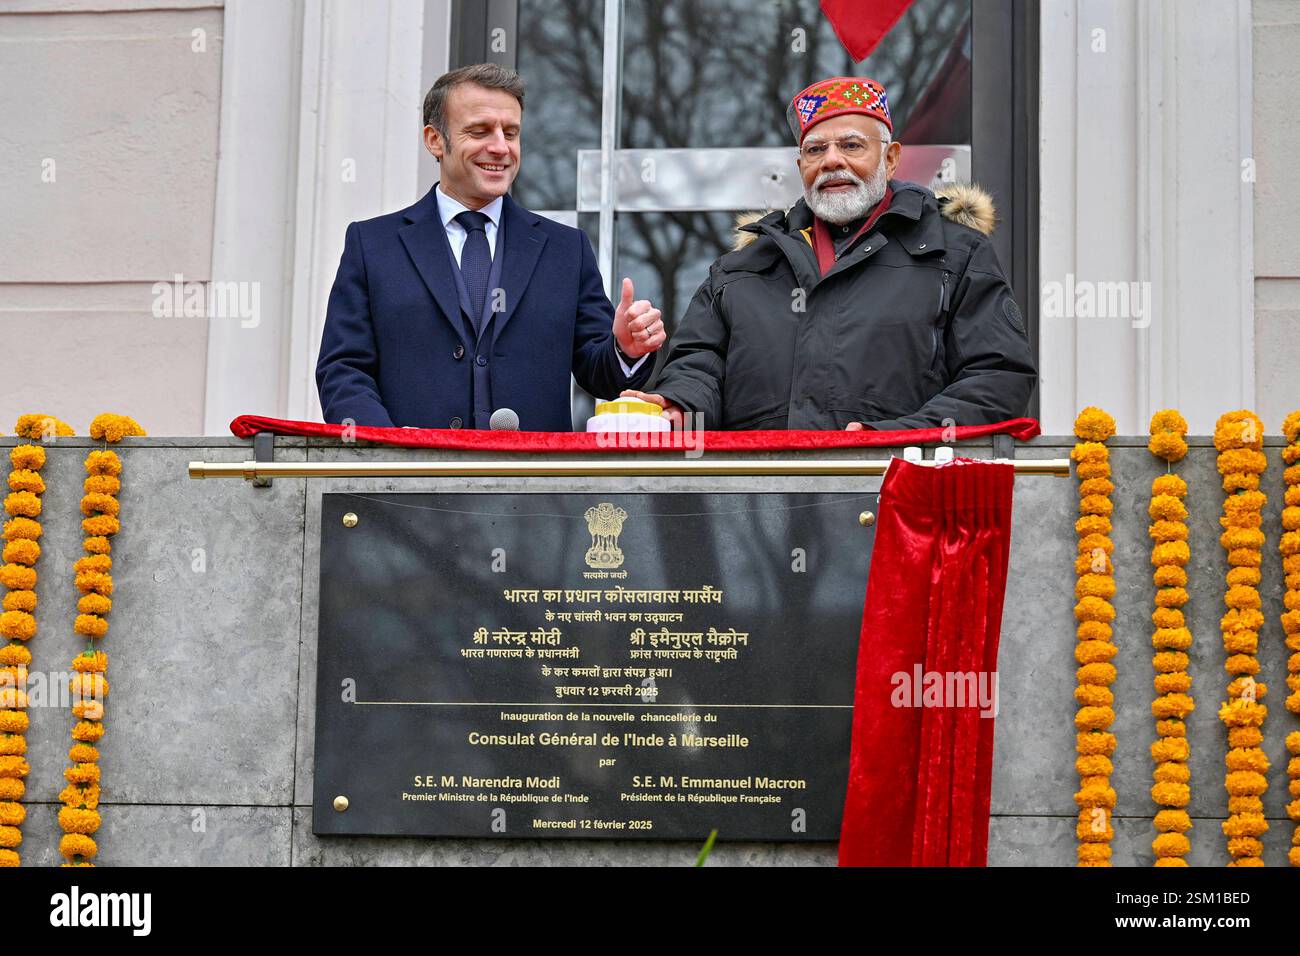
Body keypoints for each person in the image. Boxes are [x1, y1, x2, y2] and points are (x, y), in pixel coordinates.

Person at [623, 76, 1036, 431]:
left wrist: (893, 437)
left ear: (891, 159)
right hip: (759, 513)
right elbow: (699, 364)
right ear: (800, 163)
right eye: (816, 150)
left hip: (897, 504)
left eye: (852, 146)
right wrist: (679, 405)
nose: (832, 161)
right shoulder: (739, 270)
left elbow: (998, 378)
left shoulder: (956, 255)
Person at [316, 63, 664, 430]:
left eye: (510, 133)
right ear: (435, 139)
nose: (500, 147)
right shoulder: (373, 245)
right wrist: (389, 456)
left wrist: (625, 349)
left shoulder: (566, 249)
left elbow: (602, 375)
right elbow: (343, 372)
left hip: (534, 483)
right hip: (406, 481)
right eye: (480, 131)